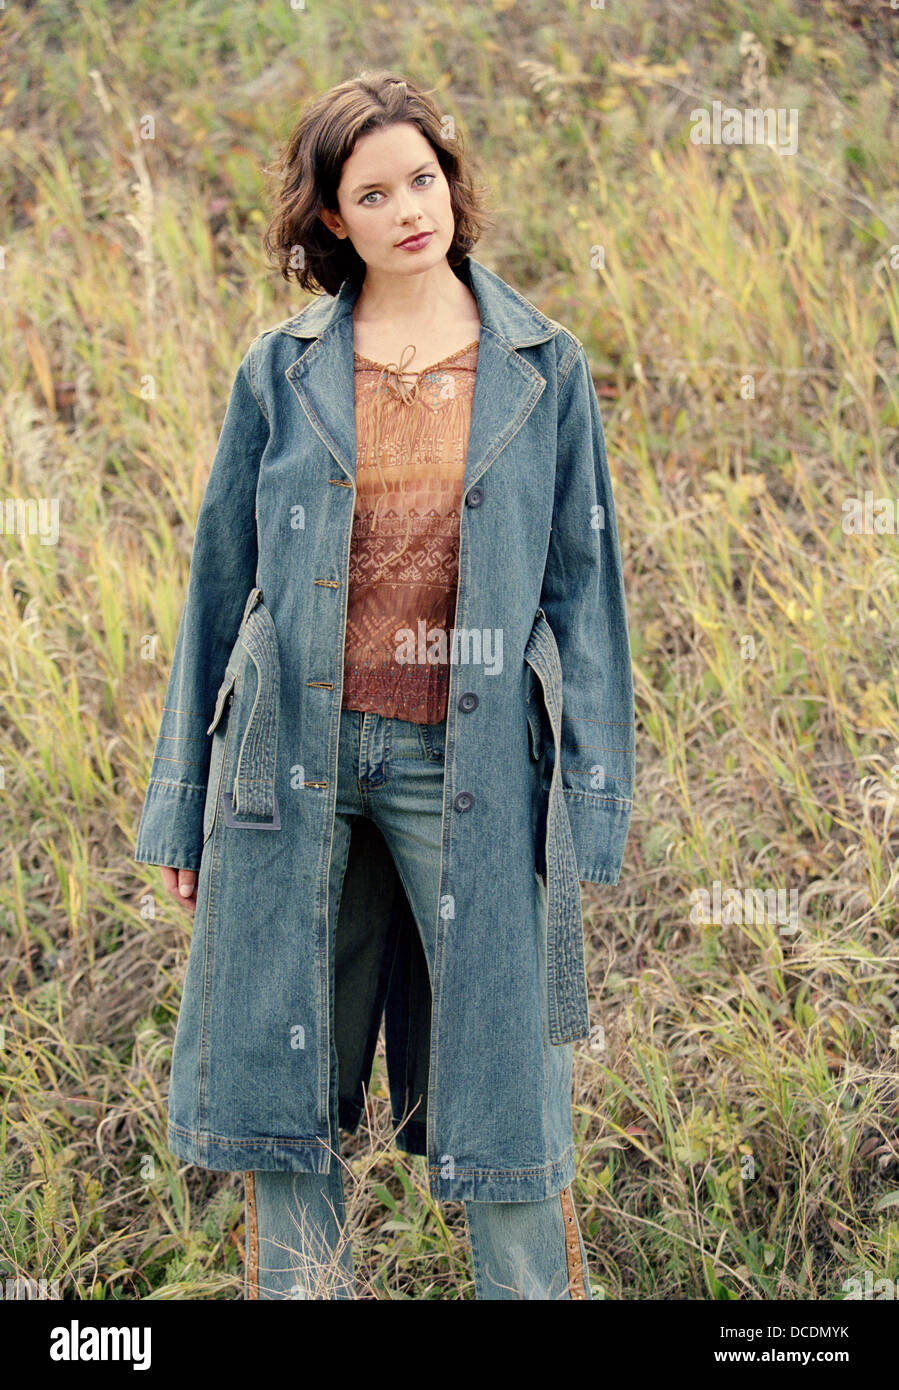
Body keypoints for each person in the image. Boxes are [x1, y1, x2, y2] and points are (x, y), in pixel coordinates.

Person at [134, 69, 635, 1300]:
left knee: (507, 1079)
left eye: (422, 178)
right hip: (285, 758)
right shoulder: (282, 369)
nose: (409, 207)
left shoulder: (540, 365)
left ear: (449, 186)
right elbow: (218, 585)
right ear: (331, 221)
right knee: (277, 1082)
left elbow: (585, 594)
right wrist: (181, 799)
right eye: (372, 192)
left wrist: (595, 803)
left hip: (462, 766)